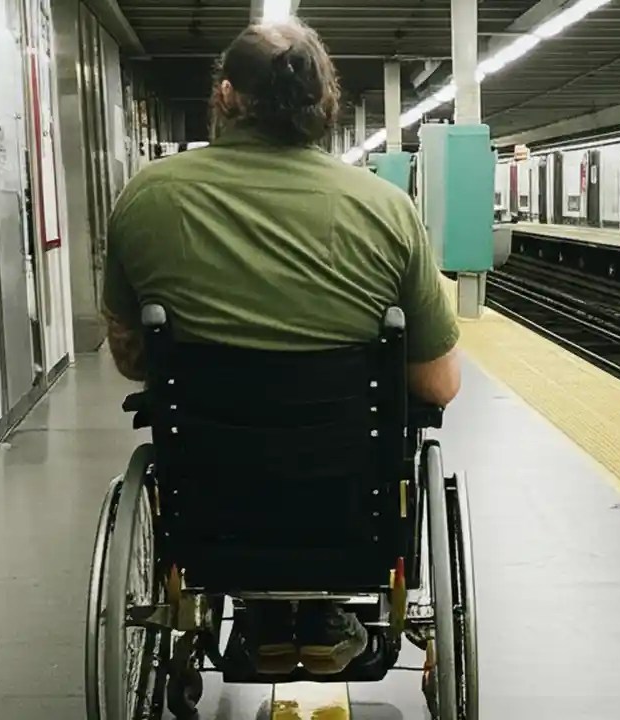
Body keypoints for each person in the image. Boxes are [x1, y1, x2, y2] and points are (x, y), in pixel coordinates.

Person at [100, 18, 461, 676]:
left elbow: (131, 357)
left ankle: (263, 617)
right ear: (328, 105)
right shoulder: (385, 209)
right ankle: (326, 616)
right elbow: (438, 384)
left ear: (226, 97)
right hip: (352, 513)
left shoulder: (147, 198)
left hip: (211, 510)